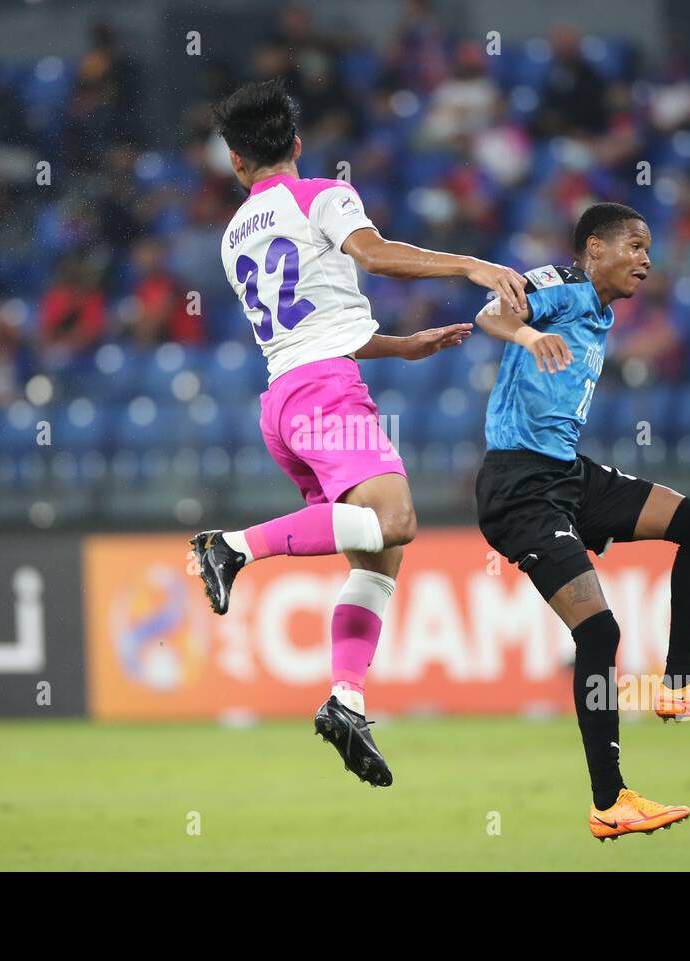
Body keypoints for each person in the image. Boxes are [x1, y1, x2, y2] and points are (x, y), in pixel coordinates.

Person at [190, 77, 527, 787]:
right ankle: (230, 547)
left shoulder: (232, 236)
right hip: (325, 393)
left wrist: (399, 346)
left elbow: (312, 326)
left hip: (284, 401)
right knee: (395, 519)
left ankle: (346, 700)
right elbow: (372, 254)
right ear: (300, 147)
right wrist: (470, 263)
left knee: (377, 556)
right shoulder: (321, 197)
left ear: (235, 163)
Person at [473, 202, 690, 840]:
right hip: (520, 486)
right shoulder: (564, 288)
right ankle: (610, 801)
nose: (645, 259)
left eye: (648, 248)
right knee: (600, 634)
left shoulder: (601, 311)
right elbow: (490, 313)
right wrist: (528, 335)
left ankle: (679, 685)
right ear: (593, 249)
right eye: (633, 245)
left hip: (567, 474)